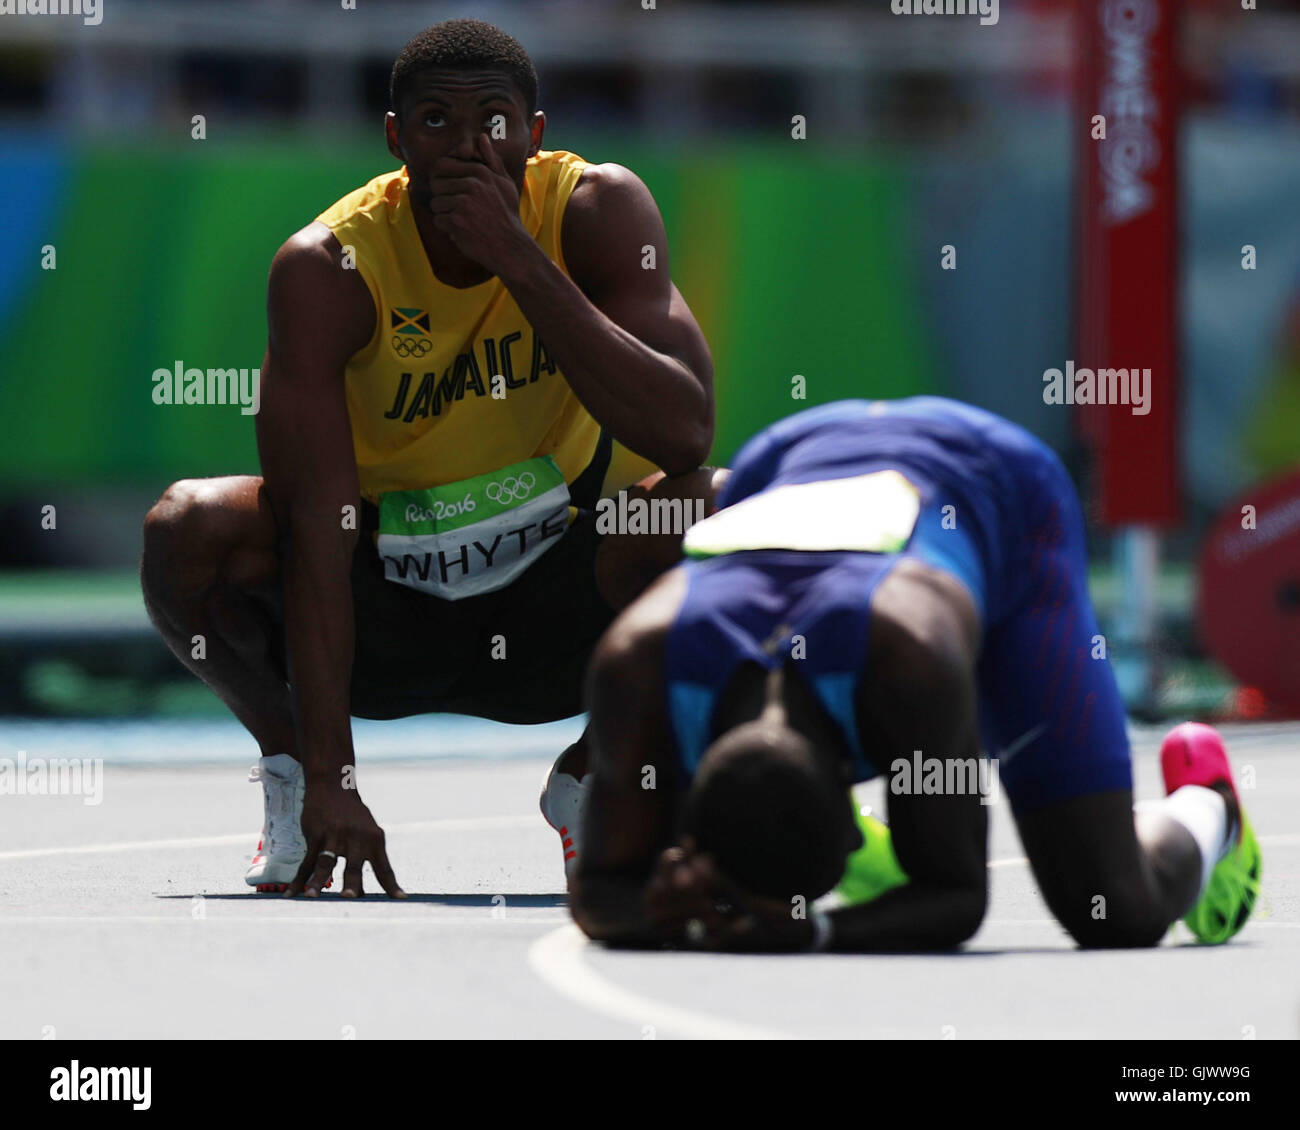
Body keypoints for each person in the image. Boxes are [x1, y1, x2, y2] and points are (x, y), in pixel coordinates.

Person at [139, 19, 718, 897]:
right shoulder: (328, 266)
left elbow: (683, 434)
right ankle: (290, 773)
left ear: (535, 133)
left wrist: (519, 259)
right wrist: (336, 772)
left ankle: (599, 771)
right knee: (186, 527)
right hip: (385, 605)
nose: (467, 146)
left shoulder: (597, 210)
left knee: (728, 508)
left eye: (494, 121)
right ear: (395, 138)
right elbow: (315, 528)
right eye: (437, 123)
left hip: (558, 598)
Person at [570, 397, 1261, 951]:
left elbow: (958, 897)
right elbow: (598, 893)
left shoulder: (913, 663)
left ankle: (1211, 805)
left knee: (1112, 909)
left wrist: (807, 931)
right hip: (785, 457)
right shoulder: (636, 657)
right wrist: (672, 910)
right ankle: (866, 822)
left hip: (1001, 488)